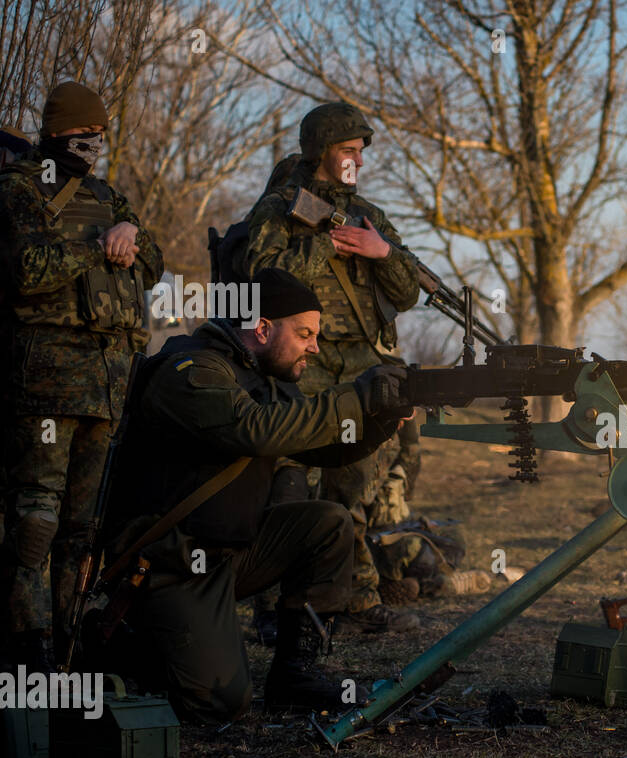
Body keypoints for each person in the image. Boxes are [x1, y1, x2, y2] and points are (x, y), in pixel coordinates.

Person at [102, 268, 414, 722]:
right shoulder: (191, 369)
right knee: (220, 703)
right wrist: (356, 395)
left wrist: (379, 418)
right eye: (305, 334)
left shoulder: (260, 376)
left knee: (328, 523)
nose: (315, 347)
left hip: (228, 555)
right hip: (171, 566)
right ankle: (131, 646)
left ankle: (295, 675)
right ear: (262, 327)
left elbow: (316, 442)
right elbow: (255, 430)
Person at [0, 81, 163, 671]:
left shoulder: (107, 194)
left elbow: (152, 261)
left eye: (99, 135)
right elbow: (26, 269)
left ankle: (68, 650)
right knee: (34, 521)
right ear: (59, 133)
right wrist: (101, 243)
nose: (94, 144)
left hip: (107, 386)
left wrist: (133, 235)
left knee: (83, 529)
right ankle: (28, 651)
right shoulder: (18, 188)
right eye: (84, 135)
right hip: (45, 381)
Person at [243, 102, 422, 635]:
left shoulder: (368, 212)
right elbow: (258, 275)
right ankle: (278, 609)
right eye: (348, 151)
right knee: (291, 481)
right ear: (322, 151)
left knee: (357, 483)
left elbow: (408, 291)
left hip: (364, 361)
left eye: (361, 152)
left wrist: (380, 250)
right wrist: (324, 244)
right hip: (304, 358)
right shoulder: (280, 205)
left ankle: (357, 601)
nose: (358, 161)